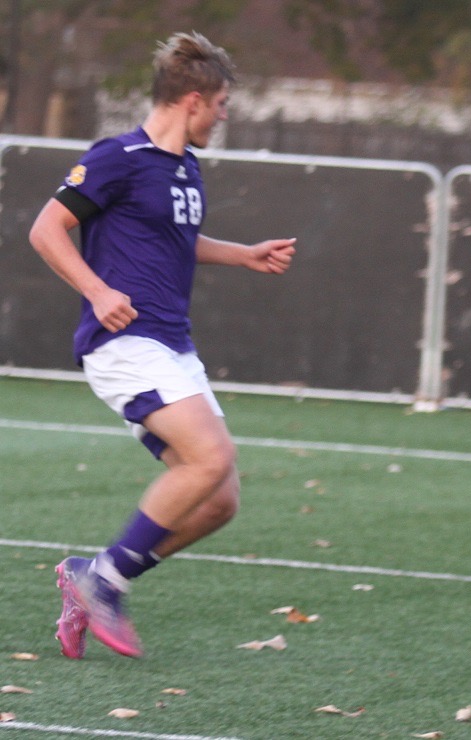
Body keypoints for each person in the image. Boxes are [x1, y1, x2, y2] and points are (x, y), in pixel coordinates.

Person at [29, 31, 296, 659]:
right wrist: (96, 291)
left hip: (172, 344)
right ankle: (102, 584)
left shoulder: (185, 167)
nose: (226, 115)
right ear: (195, 100)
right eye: (223, 103)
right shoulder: (118, 155)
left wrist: (244, 254)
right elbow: (47, 229)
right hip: (123, 341)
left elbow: (175, 241)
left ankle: (92, 575)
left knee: (219, 497)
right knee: (210, 456)